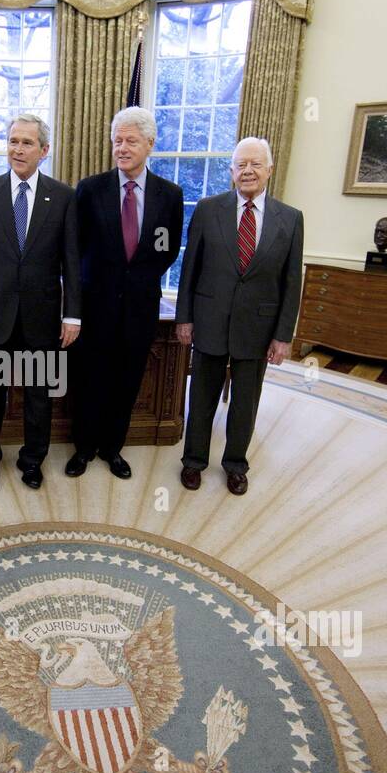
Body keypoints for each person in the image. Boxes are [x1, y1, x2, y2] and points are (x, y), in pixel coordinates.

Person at [0, 113, 81, 492]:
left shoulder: (63, 197)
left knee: (39, 397)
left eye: (26, 143)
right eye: (12, 141)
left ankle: (32, 461)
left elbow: (71, 261)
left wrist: (72, 315)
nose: (17, 149)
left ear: (44, 150)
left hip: (42, 317)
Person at [175, 136, 303, 495]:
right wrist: (184, 318)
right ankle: (193, 462)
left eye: (255, 164)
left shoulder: (291, 219)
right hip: (209, 319)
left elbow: (292, 281)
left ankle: (235, 465)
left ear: (269, 170)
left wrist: (284, 336)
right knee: (201, 397)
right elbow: (190, 269)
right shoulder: (207, 209)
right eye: (241, 165)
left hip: (258, 327)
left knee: (246, 403)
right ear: (231, 171)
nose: (247, 171)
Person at [66, 106, 183, 480]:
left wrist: (139, 278)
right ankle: (83, 448)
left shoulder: (170, 194)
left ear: (149, 144)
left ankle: (112, 448)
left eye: (130, 140)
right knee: (88, 380)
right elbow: (76, 247)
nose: (122, 147)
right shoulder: (90, 189)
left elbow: (167, 247)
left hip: (139, 308)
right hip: (95, 305)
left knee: (127, 380)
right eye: (117, 140)